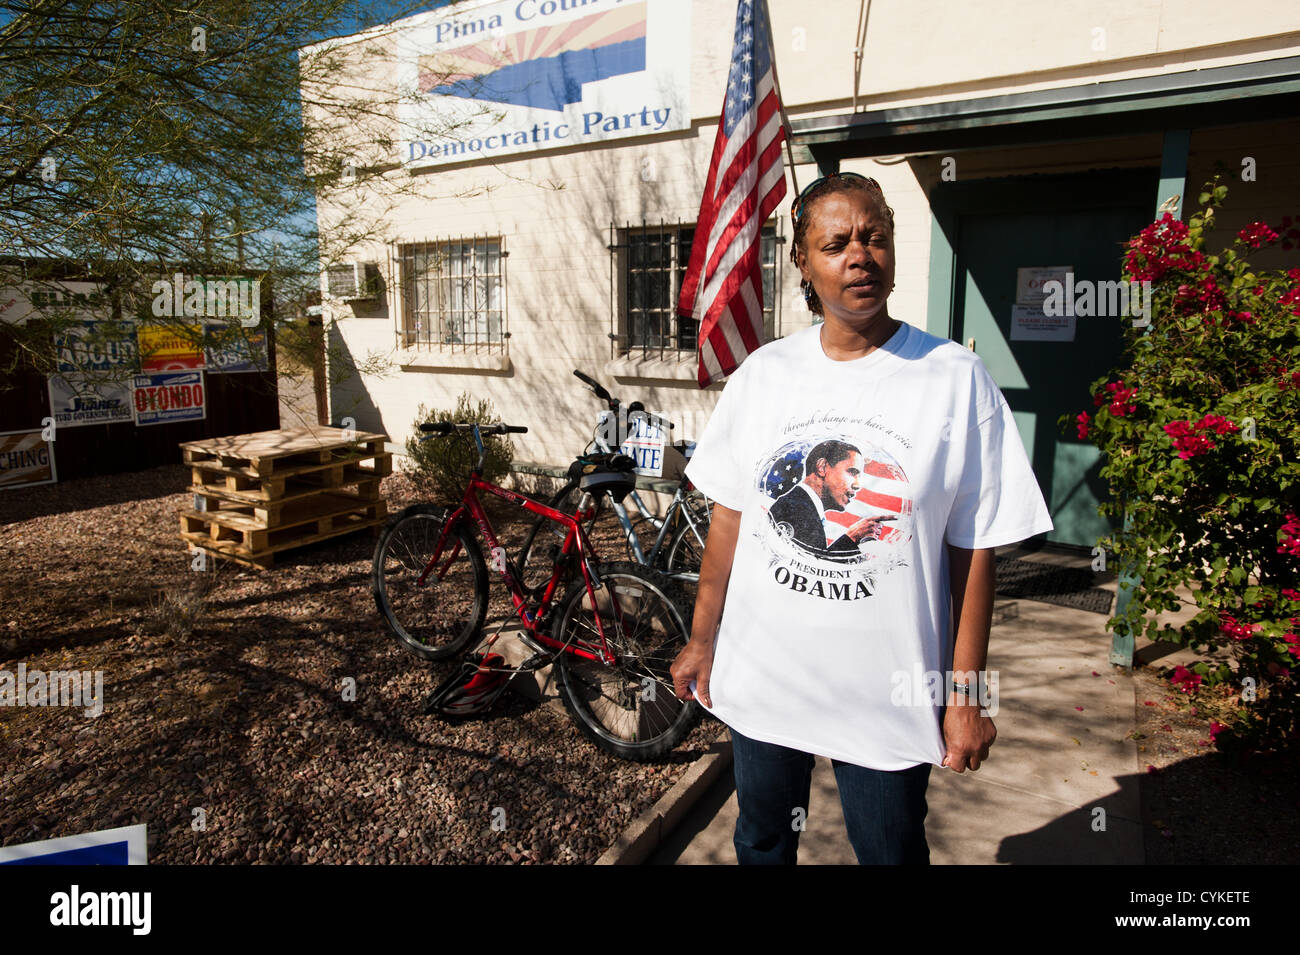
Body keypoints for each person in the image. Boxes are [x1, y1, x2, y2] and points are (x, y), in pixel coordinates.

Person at [670, 172, 1053, 865]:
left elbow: (974, 551)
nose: (859, 255)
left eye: (875, 237)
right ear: (804, 263)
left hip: (886, 691)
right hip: (766, 677)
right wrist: (703, 638)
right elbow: (729, 517)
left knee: (890, 849)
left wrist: (963, 695)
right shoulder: (764, 375)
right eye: (836, 242)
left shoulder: (953, 378)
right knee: (761, 839)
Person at [766, 439, 888, 560]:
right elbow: (809, 571)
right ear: (822, 467)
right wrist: (851, 538)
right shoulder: (795, 510)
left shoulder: (801, 506)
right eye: (852, 472)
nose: (857, 485)